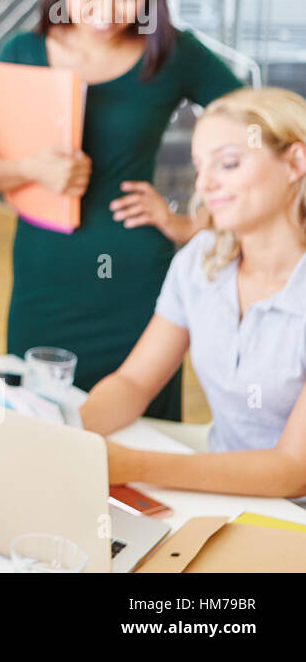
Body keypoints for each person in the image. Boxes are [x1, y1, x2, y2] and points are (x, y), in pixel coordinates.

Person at [0, 0, 242, 420]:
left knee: (139, 430)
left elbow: (260, 131)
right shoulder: (23, 52)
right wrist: (31, 169)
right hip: (44, 275)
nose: (104, 12)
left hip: (136, 279)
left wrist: (189, 221)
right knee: (38, 419)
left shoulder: (174, 55)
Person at [79, 88, 306, 501]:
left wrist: (129, 465)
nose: (206, 185)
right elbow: (132, 383)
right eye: (200, 168)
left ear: (295, 162)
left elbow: (292, 471)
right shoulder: (201, 260)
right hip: (222, 493)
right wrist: (71, 432)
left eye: (229, 163)